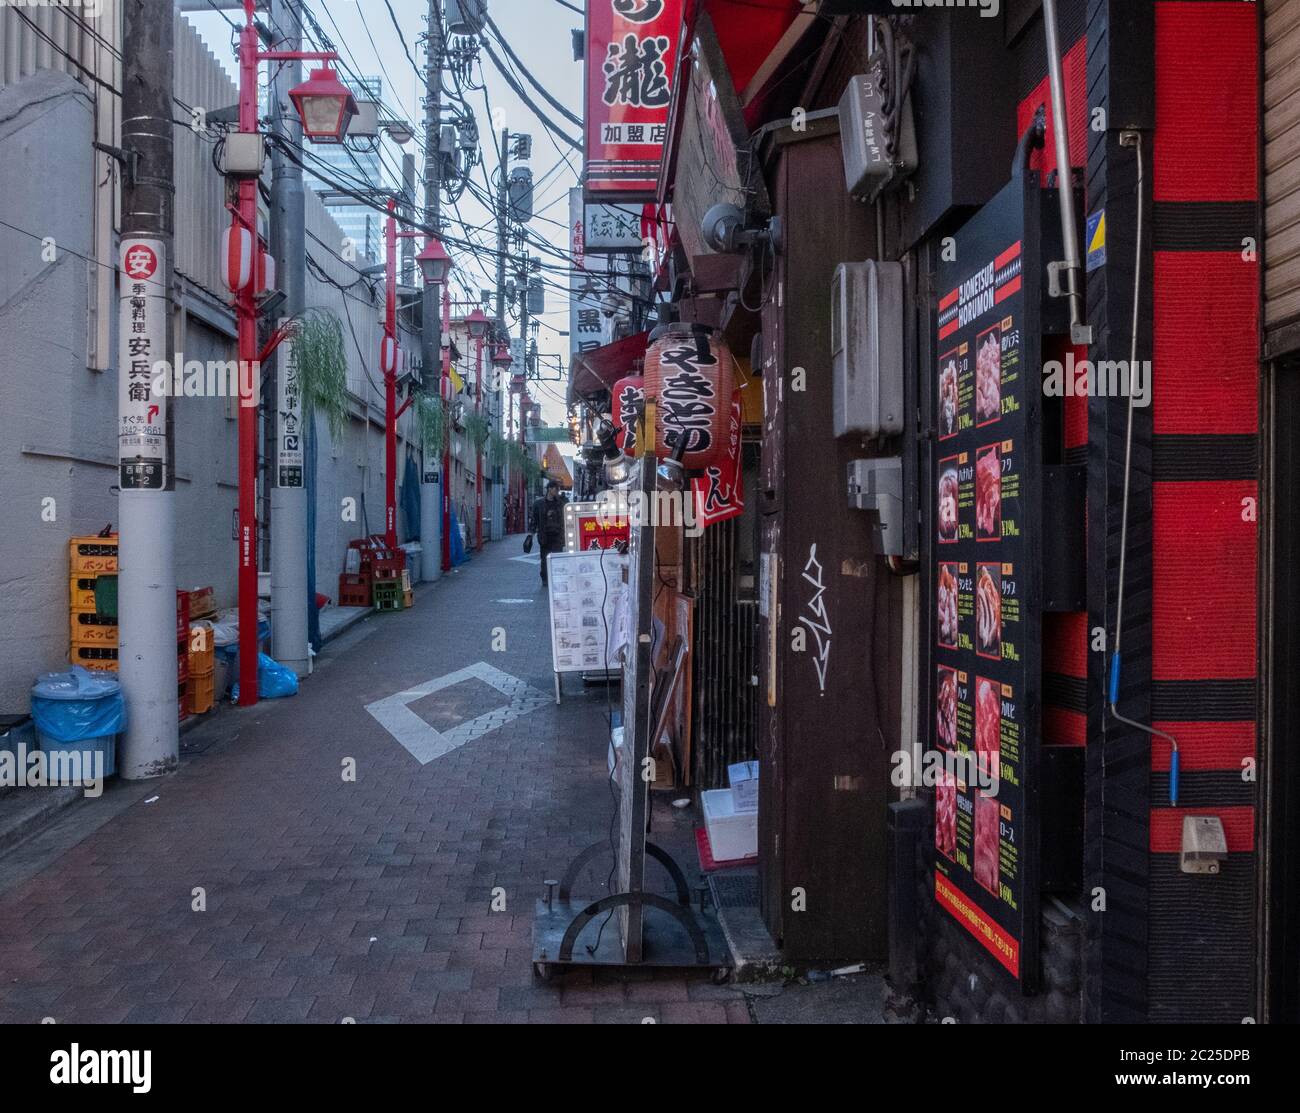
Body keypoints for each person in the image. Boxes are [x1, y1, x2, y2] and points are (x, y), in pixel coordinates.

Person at [530, 480, 566, 586]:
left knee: (557, 558)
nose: (557, 491)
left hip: (558, 535)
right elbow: (534, 520)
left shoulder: (561, 503)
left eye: (558, 489)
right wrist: (530, 534)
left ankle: (556, 577)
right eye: (556, 489)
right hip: (545, 535)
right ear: (549, 489)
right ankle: (545, 579)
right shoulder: (539, 504)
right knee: (545, 558)